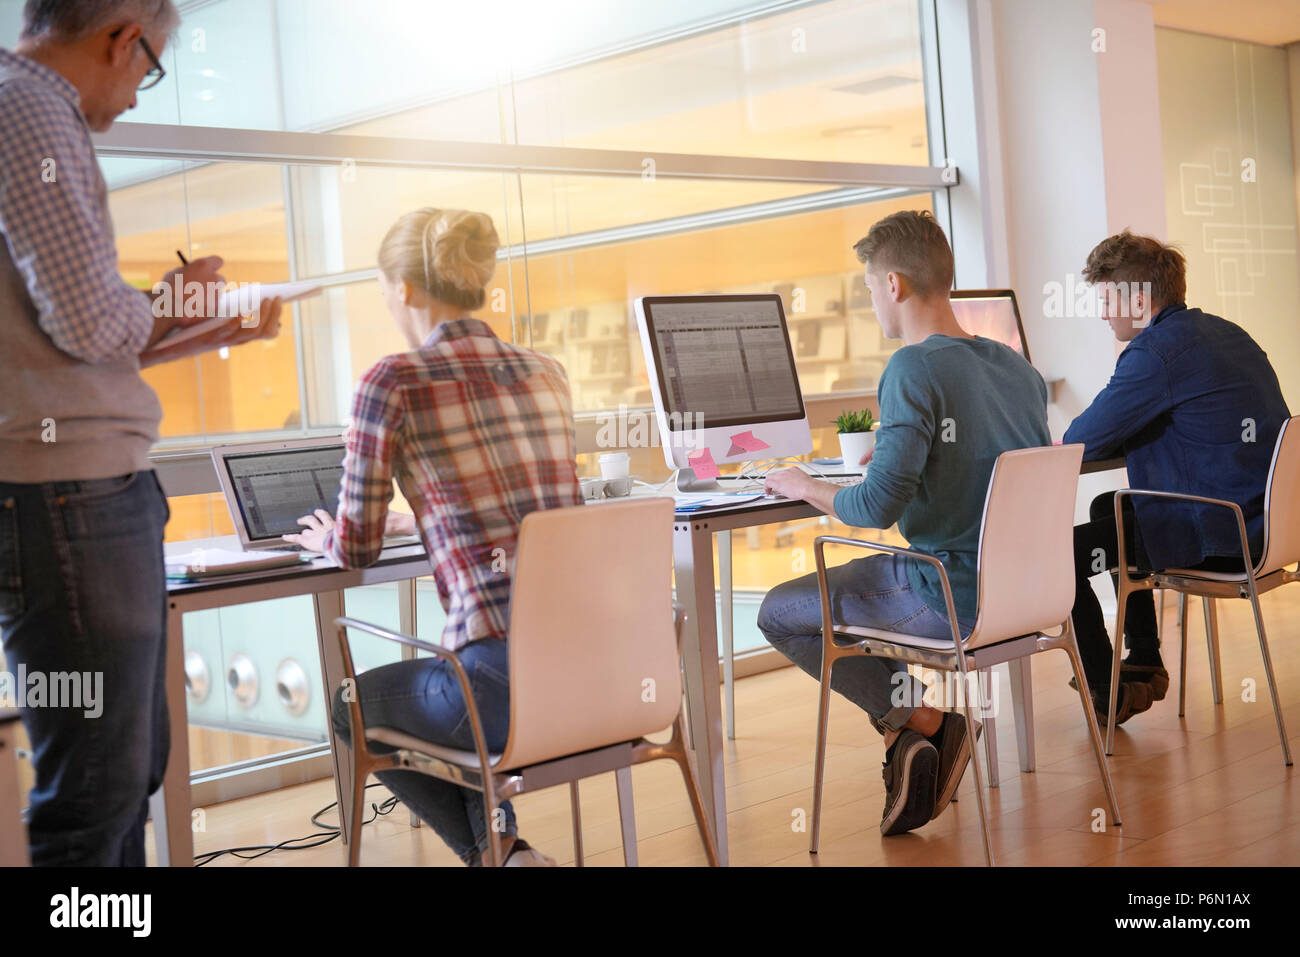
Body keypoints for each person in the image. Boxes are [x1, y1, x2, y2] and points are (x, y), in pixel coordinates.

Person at [0, 0, 284, 866]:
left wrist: (201, 324)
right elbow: (91, 320)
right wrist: (181, 300)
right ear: (124, 38)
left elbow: (67, 349)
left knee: (123, 774)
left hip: (75, 490)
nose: (135, 94)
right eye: (150, 66)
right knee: (96, 789)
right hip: (66, 496)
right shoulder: (29, 107)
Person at [282, 207, 583, 866]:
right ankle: (503, 849)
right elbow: (551, 517)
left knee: (350, 704)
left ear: (407, 289)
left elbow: (355, 549)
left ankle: (502, 855)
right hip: (594, 676)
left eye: (386, 288)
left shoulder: (391, 382)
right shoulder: (546, 372)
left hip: (502, 691)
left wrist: (328, 537)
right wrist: (426, 517)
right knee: (466, 669)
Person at [758, 210, 1050, 836]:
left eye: (868, 287)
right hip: (1027, 596)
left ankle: (921, 723)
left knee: (780, 612)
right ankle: (915, 731)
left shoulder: (912, 369)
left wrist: (803, 485)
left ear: (893, 285)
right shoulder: (1017, 370)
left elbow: (874, 509)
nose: (871, 302)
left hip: (948, 595)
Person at [1062, 231, 1290, 724]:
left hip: (1220, 535)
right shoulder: (1230, 333)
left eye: (1106, 300)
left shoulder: (1155, 354)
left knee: (1060, 557)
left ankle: (1108, 691)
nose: (1103, 313)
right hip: (1267, 525)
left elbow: (1081, 440)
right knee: (1112, 507)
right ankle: (1143, 658)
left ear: (1138, 299)